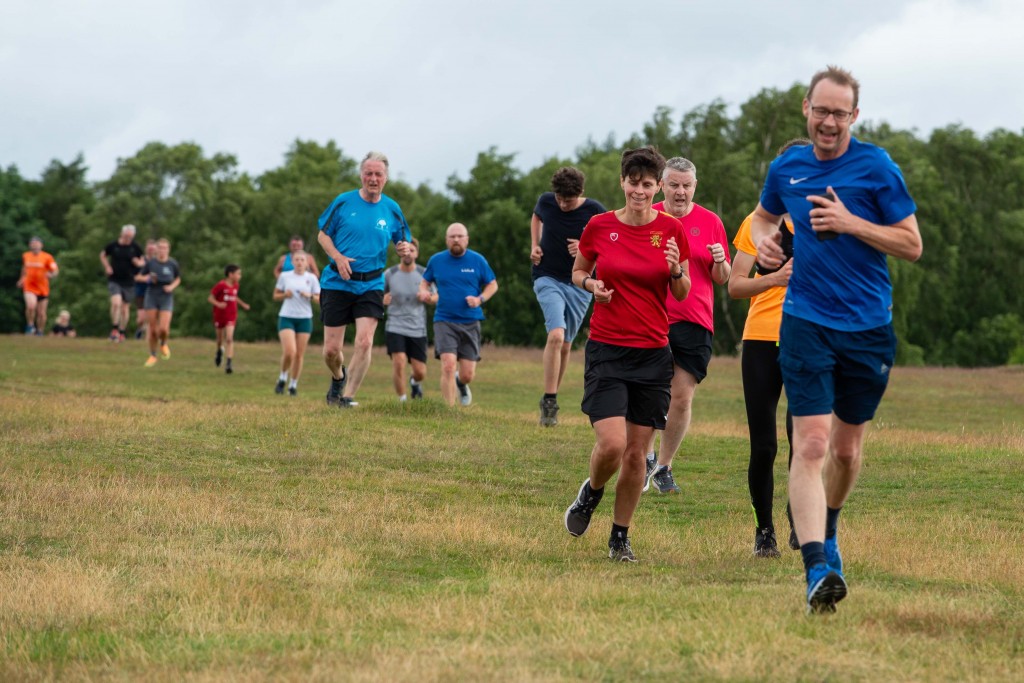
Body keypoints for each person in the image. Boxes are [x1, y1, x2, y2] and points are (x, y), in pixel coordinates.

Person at [751, 66, 922, 612]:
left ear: (854, 116)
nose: (829, 121)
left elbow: (911, 244)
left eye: (839, 113)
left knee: (846, 452)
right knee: (813, 445)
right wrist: (768, 245)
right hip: (805, 322)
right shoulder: (788, 166)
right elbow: (761, 218)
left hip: (868, 327)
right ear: (806, 108)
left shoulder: (876, 167)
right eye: (820, 111)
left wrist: (852, 223)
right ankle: (816, 567)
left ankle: (829, 523)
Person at [563, 146, 691, 563]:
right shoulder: (599, 227)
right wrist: (590, 287)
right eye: (633, 183)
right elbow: (578, 271)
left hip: (653, 353)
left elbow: (682, 291)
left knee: (638, 455)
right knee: (613, 445)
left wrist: (675, 270)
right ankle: (591, 492)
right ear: (622, 182)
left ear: (657, 187)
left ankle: (620, 536)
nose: (640, 191)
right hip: (608, 349)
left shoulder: (672, 231)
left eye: (647, 184)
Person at [729, 138, 810, 559]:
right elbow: (734, 284)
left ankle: (801, 518)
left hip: (808, 339)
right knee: (764, 445)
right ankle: (765, 532)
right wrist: (774, 280)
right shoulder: (758, 224)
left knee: (805, 439)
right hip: (761, 339)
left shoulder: (827, 219)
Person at [643, 158, 731, 495]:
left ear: (695, 186)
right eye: (674, 184)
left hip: (694, 320)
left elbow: (721, 278)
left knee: (680, 399)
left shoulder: (710, 221)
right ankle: (645, 455)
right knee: (651, 391)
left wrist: (721, 261)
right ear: (662, 185)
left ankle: (664, 466)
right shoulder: (647, 216)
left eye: (687, 185)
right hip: (650, 316)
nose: (681, 192)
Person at [317, 151, 412, 408]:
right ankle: (338, 377)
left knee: (365, 341)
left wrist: (404, 249)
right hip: (337, 281)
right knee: (331, 351)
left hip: (371, 283)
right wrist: (338, 257)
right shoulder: (343, 202)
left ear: (386, 178)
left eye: (378, 174)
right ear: (361, 175)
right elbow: (322, 236)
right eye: (368, 173)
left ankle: (346, 397)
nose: (373, 178)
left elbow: (404, 242)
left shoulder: (392, 209)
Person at [530, 167, 606, 426]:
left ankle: (552, 396)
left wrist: (585, 245)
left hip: (579, 283)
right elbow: (536, 217)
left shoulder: (595, 210)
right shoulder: (546, 201)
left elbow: (608, 241)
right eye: (559, 198)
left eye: (568, 200)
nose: (562, 204)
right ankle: (550, 399)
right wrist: (535, 245)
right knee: (556, 335)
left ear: (580, 194)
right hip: (547, 276)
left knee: (565, 345)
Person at [419, 223, 498, 407]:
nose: (456, 240)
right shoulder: (436, 260)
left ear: (467, 239)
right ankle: (449, 409)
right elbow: (424, 282)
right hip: (444, 320)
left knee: (467, 374)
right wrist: (424, 292)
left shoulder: (477, 260)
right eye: (452, 236)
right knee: (448, 365)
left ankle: (461, 384)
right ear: (446, 240)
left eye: (460, 236)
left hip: (471, 321)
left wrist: (479, 299)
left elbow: (493, 284)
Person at [384, 238, 432, 401]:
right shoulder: (390, 274)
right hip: (395, 325)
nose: (408, 254)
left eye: (411, 250)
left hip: (417, 327)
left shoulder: (424, 273)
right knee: (399, 362)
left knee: (420, 371)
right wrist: (382, 299)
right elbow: (376, 295)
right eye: (405, 251)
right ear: (400, 253)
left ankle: (415, 382)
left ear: (417, 253)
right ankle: (402, 401)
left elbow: (436, 296)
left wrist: (428, 297)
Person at [274, 251, 320, 396]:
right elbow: (275, 295)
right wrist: (284, 295)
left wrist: (310, 296)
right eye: (297, 260)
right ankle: (282, 377)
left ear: (307, 263)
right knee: (290, 352)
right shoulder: (284, 276)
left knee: (299, 355)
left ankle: (293, 386)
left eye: (302, 260)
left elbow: (319, 299)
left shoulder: (311, 278)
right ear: (292, 262)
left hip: (304, 319)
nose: (300, 262)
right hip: (287, 317)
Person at [137, 238, 181, 367]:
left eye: (164, 247)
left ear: (168, 249)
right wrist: (148, 279)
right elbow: (139, 277)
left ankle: (163, 343)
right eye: (160, 247)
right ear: (156, 250)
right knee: (153, 329)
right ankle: (152, 355)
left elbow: (178, 278)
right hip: (152, 296)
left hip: (166, 297)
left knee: (163, 329)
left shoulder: (173, 264)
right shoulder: (151, 263)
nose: (162, 250)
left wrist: (171, 287)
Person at [99, 224, 145, 342]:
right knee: (116, 303)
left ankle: (122, 331)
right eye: (126, 236)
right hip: (115, 279)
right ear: (122, 234)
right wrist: (107, 267)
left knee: (125, 308)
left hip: (129, 281)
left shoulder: (135, 247)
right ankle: (114, 328)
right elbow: (103, 255)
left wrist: (138, 263)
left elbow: (142, 261)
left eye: (130, 237)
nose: (128, 239)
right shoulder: (114, 245)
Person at [208, 264, 251, 374]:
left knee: (229, 339)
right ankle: (219, 351)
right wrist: (218, 304)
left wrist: (243, 304)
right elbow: (210, 298)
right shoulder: (221, 285)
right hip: (219, 315)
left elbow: (234, 296)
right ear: (230, 274)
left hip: (231, 315)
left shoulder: (236, 285)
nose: (240, 276)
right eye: (238, 274)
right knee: (219, 339)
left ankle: (228, 363)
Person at [17, 236, 58, 335]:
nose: (35, 245)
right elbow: (24, 268)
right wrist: (21, 279)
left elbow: (55, 270)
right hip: (29, 286)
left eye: (37, 243)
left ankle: (40, 331)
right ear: (30, 245)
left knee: (41, 313)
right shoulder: (26, 255)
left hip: (43, 288)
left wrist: (51, 274)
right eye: (32, 243)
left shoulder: (47, 257)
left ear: (41, 245)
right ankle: (30, 325)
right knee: (31, 306)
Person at [134, 240, 157, 339]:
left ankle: (147, 340)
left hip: (154, 293)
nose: (151, 250)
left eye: (153, 248)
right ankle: (140, 329)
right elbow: (136, 277)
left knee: (150, 318)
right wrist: (147, 278)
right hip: (141, 292)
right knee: (141, 319)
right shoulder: (141, 261)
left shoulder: (158, 262)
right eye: (149, 248)